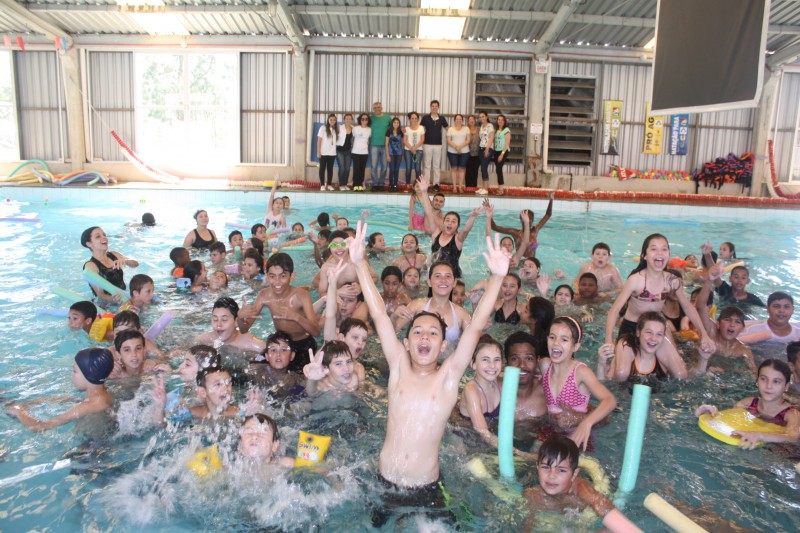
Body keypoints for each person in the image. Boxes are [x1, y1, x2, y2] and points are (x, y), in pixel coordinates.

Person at [351, 220, 510, 500]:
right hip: (384, 481)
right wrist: (360, 263)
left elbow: (474, 328)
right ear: (406, 342)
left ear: (444, 344)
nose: (424, 338)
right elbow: (378, 315)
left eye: (433, 333)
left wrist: (497, 279)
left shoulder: (448, 377)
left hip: (428, 487)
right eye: (418, 332)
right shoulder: (398, 365)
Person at [602, 233, 716, 364]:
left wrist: (704, 334)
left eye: (664, 249)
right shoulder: (635, 280)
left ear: (668, 254)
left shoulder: (672, 281)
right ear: (644, 255)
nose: (659, 252)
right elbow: (614, 310)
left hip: (657, 329)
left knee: (680, 372)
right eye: (654, 249)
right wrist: (608, 340)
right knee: (622, 374)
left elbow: (687, 306)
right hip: (631, 328)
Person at [524, 436, 632, 532]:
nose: (551, 475)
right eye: (545, 467)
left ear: (574, 473)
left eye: (561, 470)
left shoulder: (581, 489)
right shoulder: (533, 496)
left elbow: (613, 519)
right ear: (537, 467)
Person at [540, 317, 617, 450]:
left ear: (575, 346)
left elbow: (610, 401)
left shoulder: (580, 372)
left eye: (564, 339)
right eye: (552, 337)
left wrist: (586, 423)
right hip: (550, 430)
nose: (556, 343)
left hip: (576, 433)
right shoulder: (545, 365)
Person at [239, 252, 320, 371]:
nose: (277, 282)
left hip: (302, 344)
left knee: (295, 380)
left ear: (292, 276)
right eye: (272, 276)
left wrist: (295, 317)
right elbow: (243, 329)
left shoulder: (302, 296)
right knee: (252, 369)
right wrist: (240, 318)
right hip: (280, 344)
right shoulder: (264, 296)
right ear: (267, 276)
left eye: (283, 276)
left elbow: (316, 332)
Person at [695, 359, 799, 448]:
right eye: (764, 379)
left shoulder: (792, 414)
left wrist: (760, 435)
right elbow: (731, 419)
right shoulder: (748, 403)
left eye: (776, 381)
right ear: (757, 380)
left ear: (786, 386)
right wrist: (714, 413)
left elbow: (792, 438)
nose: (768, 386)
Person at [7, 348, 114, 432]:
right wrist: (42, 401)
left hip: (90, 449)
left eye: (74, 371)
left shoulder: (86, 406)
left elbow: (40, 427)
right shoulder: (104, 395)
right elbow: (78, 401)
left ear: (89, 374)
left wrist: (18, 411)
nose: (72, 375)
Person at [597, 312, 689, 385]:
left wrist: (703, 359)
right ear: (638, 332)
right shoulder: (626, 351)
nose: (653, 338)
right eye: (649, 332)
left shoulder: (663, 361)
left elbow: (685, 380)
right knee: (621, 373)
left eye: (659, 334)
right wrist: (600, 364)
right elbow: (606, 386)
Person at [418, 174, 482, 279]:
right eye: (447, 220)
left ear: (457, 226)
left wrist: (472, 217)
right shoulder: (436, 234)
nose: (450, 223)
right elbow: (429, 213)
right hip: (435, 275)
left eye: (453, 221)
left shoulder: (458, 239)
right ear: (443, 223)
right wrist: (424, 192)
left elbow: (466, 230)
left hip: (454, 277)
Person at [391, 261, 472, 342]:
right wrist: (393, 317)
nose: (443, 280)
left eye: (448, 276)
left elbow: (475, 340)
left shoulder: (461, 314)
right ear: (429, 282)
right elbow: (391, 332)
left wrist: (476, 305)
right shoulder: (417, 305)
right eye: (437, 276)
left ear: (454, 282)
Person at [693, 272, 754, 370]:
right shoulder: (711, 332)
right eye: (728, 320)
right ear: (718, 324)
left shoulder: (743, 351)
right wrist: (709, 280)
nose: (732, 325)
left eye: (737, 322)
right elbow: (700, 306)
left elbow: (753, 374)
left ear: (742, 329)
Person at [152, 345, 219, 425]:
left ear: (203, 371)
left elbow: (169, 426)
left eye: (187, 364)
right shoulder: (195, 387)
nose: (180, 366)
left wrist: (160, 407)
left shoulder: (202, 398)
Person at [81, 226, 138, 304]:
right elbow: (100, 295)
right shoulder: (91, 266)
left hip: (124, 298)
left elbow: (135, 264)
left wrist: (125, 260)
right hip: (106, 305)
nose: (104, 238)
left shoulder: (114, 254)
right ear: (89, 244)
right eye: (98, 236)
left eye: (104, 235)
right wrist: (114, 300)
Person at [490, 193, 553, 259]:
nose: (526, 219)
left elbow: (548, 215)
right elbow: (494, 227)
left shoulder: (535, 231)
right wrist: (489, 215)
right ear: (520, 219)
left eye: (529, 218)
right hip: (518, 262)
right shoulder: (515, 233)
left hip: (531, 262)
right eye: (524, 217)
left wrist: (551, 199)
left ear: (532, 220)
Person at [195, 297, 266, 353]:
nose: (218, 325)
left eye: (224, 319)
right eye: (215, 319)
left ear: (236, 322)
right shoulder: (205, 340)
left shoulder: (251, 344)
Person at [505, 331, 547, 420]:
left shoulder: (547, 392)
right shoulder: (496, 391)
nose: (522, 365)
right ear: (506, 362)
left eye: (529, 358)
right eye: (515, 358)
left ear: (537, 361)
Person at [420, 100, 448, 191]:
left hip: (438, 145)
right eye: (433, 106)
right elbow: (420, 129)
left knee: (436, 166)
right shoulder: (425, 118)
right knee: (427, 165)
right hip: (427, 144)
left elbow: (448, 129)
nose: (434, 107)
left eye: (436, 106)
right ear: (431, 107)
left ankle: (436, 184)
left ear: (438, 107)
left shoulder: (442, 118)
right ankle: (426, 184)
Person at [370, 102, 392, 189]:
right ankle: (375, 184)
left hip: (385, 146)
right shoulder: (371, 118)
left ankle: (381, 183)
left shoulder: (387, 118)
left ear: (381, 108)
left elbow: (393, 129)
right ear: (373, 109)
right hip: (373, 145)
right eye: (375, 108)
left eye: (378, 107)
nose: (377, 109)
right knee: (373, 166)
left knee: (384, 166)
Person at [446, 114, 470, 193]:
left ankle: (460, 187)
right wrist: (456, 147)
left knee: (462, 169)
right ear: (454, 120)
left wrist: (460, 147)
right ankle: (454, 187)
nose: (458, 120)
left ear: (462, 120)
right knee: (454, 168)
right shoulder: (450, 129)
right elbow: (449, 140)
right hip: (452, 151)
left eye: (460, 119)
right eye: (457, 119)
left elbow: (468, 140)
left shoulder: (466, 128)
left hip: (464, 152)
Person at [317, 114, 338, 191]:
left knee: (330, 169)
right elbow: (319, 140)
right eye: (331, 119)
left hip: (332, 153)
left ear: (336, 121)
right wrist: (318, 151)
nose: (332, 121)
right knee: (322, 169)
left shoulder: (336, 129)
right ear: (328, 120)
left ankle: (329, 184)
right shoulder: (323, 128)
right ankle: (322, 185)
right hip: (323, 152)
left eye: (334, 120)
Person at [403, 112, 425, 184]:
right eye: (412, 118)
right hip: (408, 150)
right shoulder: (406, 129)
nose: (414, 119)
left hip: (419, 150)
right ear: (409, 119)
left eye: (416, 118)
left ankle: (418, 185)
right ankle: (407, 185)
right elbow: (405, 140)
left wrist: (415, 148)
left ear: (418, 119)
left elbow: (422, 139)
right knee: (408, 168)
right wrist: (411, 148)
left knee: (418, 169)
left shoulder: (421, 128)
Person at [476, 111, 495, 195]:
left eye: (483, 116)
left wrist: (487, 148)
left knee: (484, 167)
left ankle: (486, 188)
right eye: (480, 117)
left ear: (486, 117)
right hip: (481, 148)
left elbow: (491, 137)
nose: (482, 118)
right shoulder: (481, 126)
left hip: (487, 148)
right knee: (482, 168)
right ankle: (483, 187)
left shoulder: (490, 126)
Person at [492, 114, 511, 195]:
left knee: (498, 169)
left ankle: (501, 189)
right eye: (498, 120)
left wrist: (502, 154)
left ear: (504, 121)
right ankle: (500, 187)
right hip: (496, 151)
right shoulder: (496, 130)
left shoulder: (506, 130)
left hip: (503, 151)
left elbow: (507, 142)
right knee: (498, 170)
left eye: (501, 120)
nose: (500, 121)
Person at [351, 113, 371, 191]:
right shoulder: (355, 128)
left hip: (365, 152)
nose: (364, 120)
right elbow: (351, 138)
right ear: (360, 120)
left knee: (362, 169)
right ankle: (355, 184)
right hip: (355, 152)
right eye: (362, 119)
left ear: (368, 120)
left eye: (366, 119)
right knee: (356, 169)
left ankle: (360, 184)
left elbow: (369, 140)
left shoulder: (369, 129)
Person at [385, 116, 404, 191]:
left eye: (397, 123)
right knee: (392, 169)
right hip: (391, 154)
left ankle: (395, 185)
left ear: (399, 124)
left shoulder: (400, 133)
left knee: (396, 170)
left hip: (399, 154)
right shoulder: (388, 132)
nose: (396, 124)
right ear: (392, 123)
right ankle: (391, 185)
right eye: (395, 122)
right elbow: (386, 144)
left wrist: (402, 155)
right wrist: (387, 155)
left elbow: (402, 144)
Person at [336, 113, 354, 190]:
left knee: (347, 168)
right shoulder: (339, 127)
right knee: (342, 168)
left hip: (348, 151)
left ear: (352, 120)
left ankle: (345, 184)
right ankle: (341, 185)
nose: (348, 120)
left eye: (350, 119)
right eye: (347, 119)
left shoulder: (353, 128)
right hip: (340, 151)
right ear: (344, 120)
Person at [465, 114, 481, 189]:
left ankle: (474, 186)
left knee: (475, 171)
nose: (471, 121)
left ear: (475, 121)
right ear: (468, 121)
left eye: (473, 119)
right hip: (467, 153)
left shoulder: (479, 129)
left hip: (477, 153)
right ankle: (467, 186)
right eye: (470, 119)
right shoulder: (465, 129)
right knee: (468, 171)